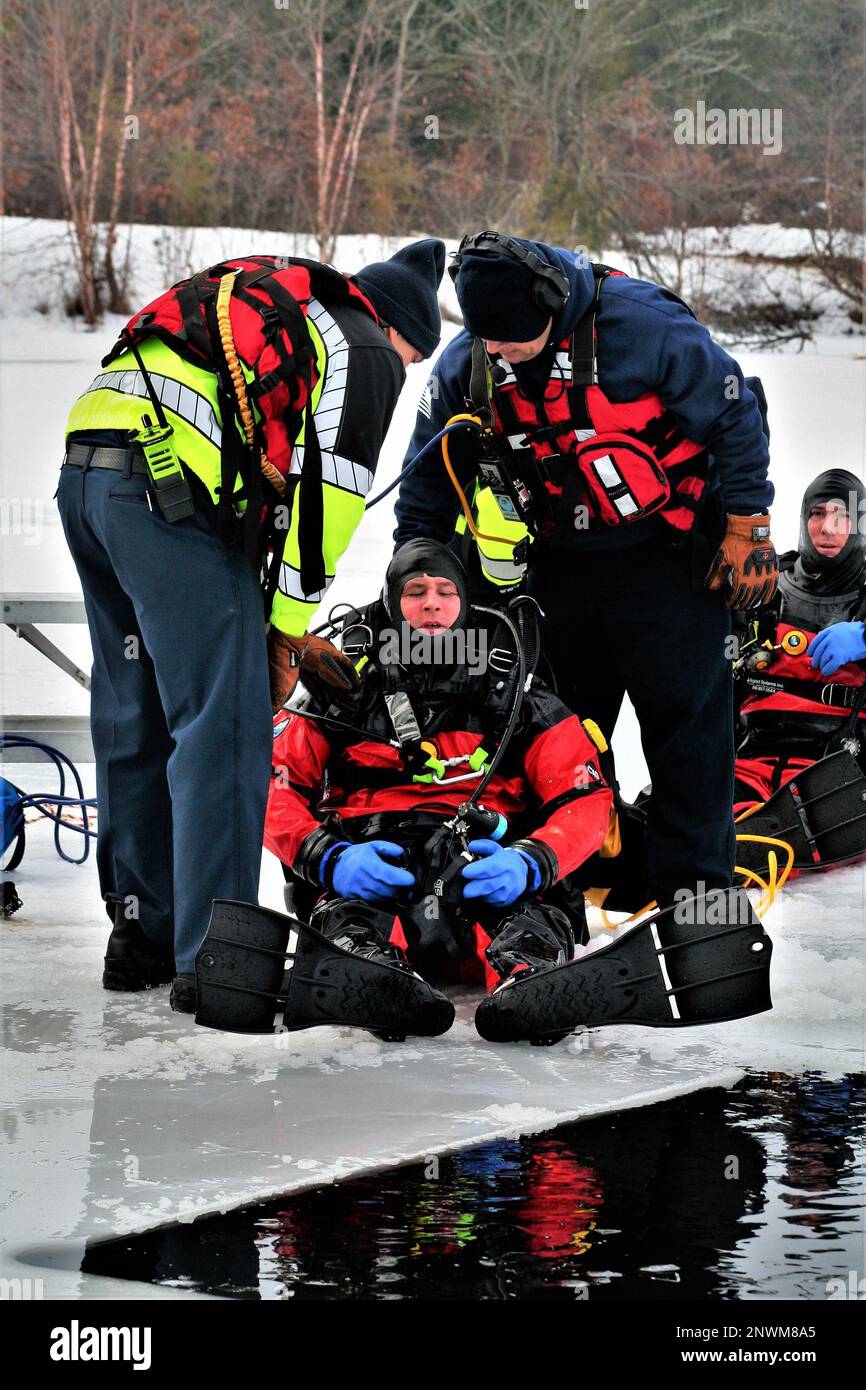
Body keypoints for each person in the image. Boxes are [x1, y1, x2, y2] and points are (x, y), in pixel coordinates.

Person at [57, 239, 446, 1010]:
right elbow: (330, 500)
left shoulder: (284, 302)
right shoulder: (367, 345)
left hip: (86, 474)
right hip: (168, 494)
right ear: (405, 333)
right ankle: (221, 960)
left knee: (137, 714)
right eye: (412, 359)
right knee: (225, 729)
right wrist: (285, 632)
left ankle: (143, 932)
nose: (402, 375)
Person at [393, 230, 778, 909]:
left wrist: (749, 526)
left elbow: (735, 417)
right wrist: (414, 560)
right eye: (489, 339)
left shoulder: (647, 329)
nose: (500, 352)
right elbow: (427, 469)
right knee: (560, 734)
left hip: (673, 560)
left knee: (688, 736)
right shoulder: (471, 360)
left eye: (513, 337)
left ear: (550, 303)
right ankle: (560, 893)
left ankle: (696, 901)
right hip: (562, 567)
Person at [262, 539, 614, 1043]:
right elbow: (272, 787)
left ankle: (531, 980)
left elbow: (584, 797)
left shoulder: (513, 689)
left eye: (446, 590)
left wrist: (532, 861)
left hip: (488, 873)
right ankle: (373, 976)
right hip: (373, 875)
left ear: (466, 604)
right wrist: (329, 859)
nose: (431, 603)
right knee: (350, 921)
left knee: (531, 920)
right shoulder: (340, 691)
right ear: (390, 603)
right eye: (415, 590)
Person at [734, 468, 866, 819]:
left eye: (843, 516)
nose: (827, 528)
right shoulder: (764, 585)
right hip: (754, 761)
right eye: (818, 513)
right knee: (681, 821)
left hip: (844, 767)